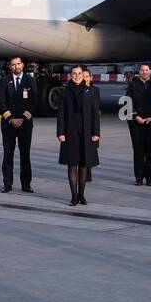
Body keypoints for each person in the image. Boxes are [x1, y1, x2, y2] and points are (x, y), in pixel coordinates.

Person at [57, 65, 100, 206]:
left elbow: (95, 114)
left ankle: (82, 194)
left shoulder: (92, 91)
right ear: (71, 75)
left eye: (79, 73)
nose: (76, 76)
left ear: (83, 75)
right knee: (72, 164)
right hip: (70, 133)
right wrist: (61, 132)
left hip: (86, 133)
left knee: (84, 164)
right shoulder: (64, 91)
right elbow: (61, 114)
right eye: (74, 74)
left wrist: (96, 133)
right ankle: (73, 196)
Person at [0, 56, 37, 193]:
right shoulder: (4, 81)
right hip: (9, 124)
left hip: (25, 125)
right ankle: (7, 184)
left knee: (25, 155)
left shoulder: (30, 81)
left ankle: (26, 184)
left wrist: (23, 119)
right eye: (13, 65)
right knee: (8, 154)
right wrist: (11, 119)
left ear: (23, 64)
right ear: (10, 66)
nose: (16, 66)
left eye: (18, 64)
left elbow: (34, 102)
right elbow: (1, 102)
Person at [126, 63, 151, 187]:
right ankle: (139, 177)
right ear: (139, 72)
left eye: (146, 70)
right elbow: (127, 102)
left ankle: (150, 178)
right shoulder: (132, 85)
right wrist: (136, 116)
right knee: (138, 151)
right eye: (142, 70)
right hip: (136, 123)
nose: (144, 72)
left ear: (150, 71)